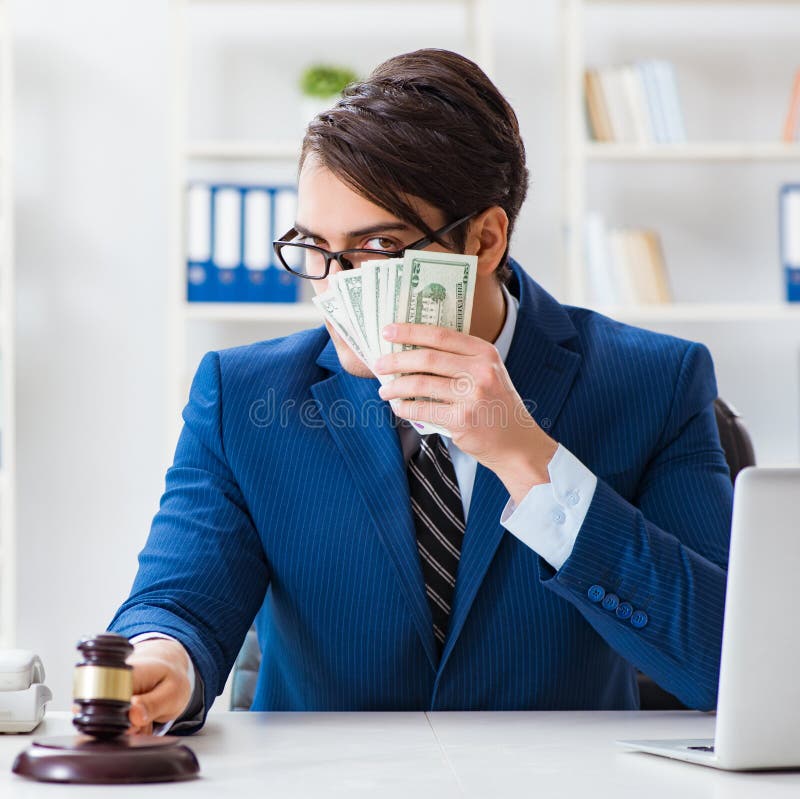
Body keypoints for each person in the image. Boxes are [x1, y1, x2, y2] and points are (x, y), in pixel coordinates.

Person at [108, 48, 732, 735]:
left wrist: (531, 461)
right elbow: (180, 602)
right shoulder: (241, 395)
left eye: (377, 248)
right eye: (314, 245)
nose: (335, 285)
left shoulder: (654, 383)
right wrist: (165, 659)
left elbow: (725, 663)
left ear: (485, 239)